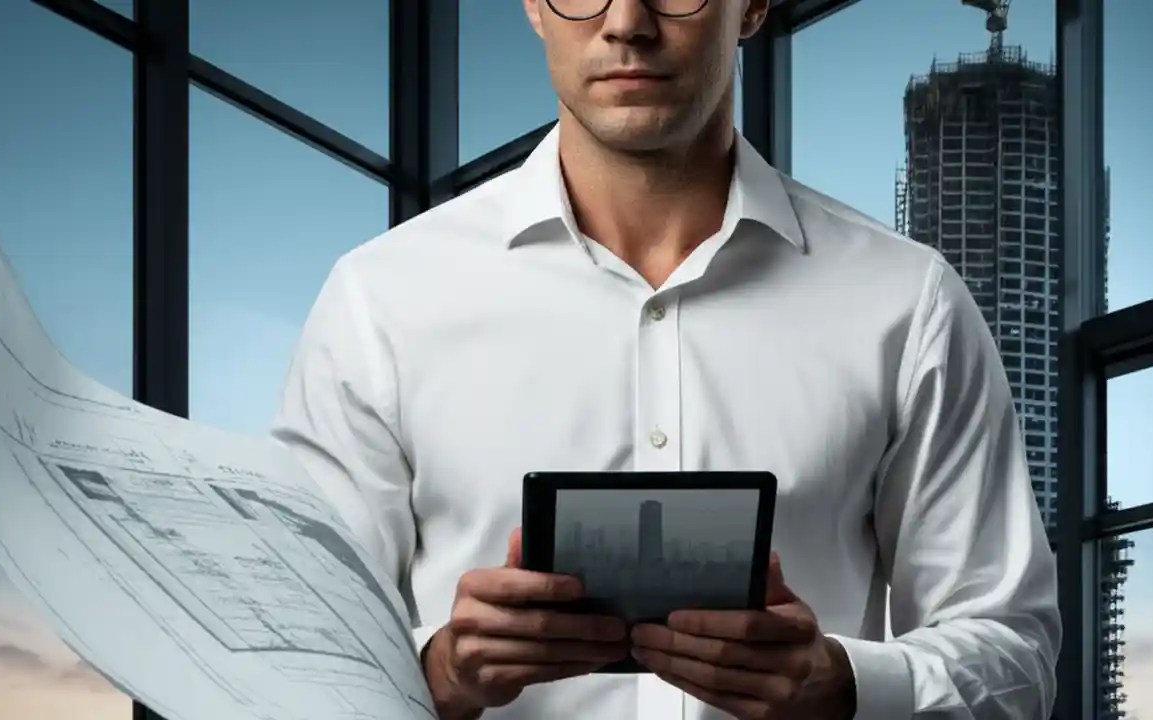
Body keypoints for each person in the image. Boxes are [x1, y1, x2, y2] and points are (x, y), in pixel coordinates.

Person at [269, 0, 1062, 717]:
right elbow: (293, 656)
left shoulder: (906, 301)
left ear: (752, 7)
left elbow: (1013, 652)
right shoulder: (382, 300)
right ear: (531, 7)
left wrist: (841, 686)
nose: (626, 22)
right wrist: (438, 672)